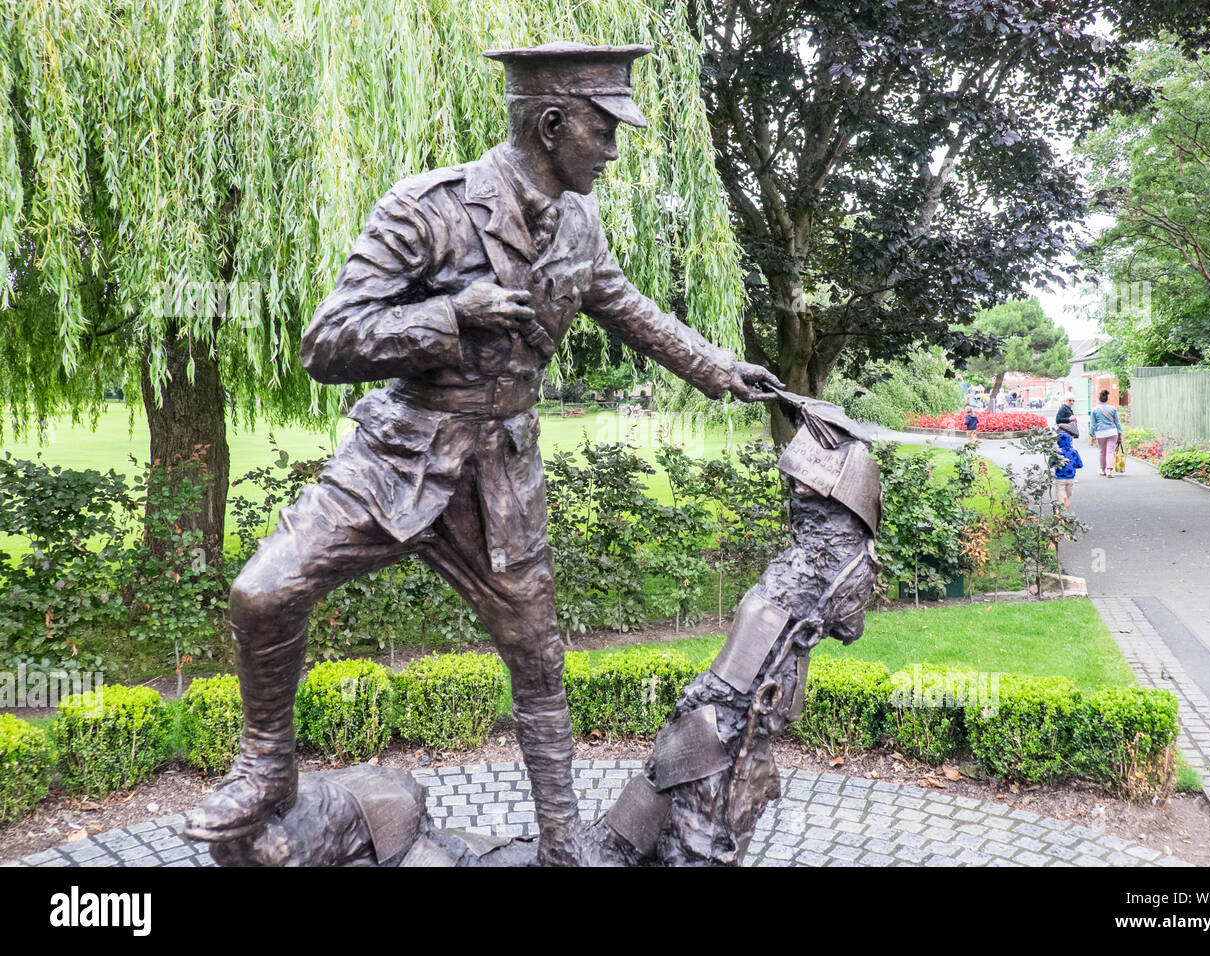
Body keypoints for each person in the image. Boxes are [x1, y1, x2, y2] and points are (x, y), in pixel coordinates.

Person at [182, 41, 782, 866]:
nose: (612, 151)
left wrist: (719, 368)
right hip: (398, 455)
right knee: (262, 591)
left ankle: (564, 842)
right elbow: (327, 344)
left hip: (499, 474)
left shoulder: (578, 221)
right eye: (604, 132)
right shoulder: (428, 209)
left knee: (538, 658)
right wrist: (451, 314)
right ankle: (262, 768)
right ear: (551, 121)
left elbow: (627, 307)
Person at [1088, 388, 1123, 477]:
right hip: (1112, 432)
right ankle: (1109, 471)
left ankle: (1102, 470)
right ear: (1107, 398)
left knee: (1102, 452)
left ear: (1099, 399)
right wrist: (1120, 433)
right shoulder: (1113, 409)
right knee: (1110, 452)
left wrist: (1092, 435)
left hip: (1100, 433)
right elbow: (1117, 422)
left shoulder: (1095, 410)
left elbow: (1093, 424)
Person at [1053, 424, 1084, 510]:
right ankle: (1067, 511)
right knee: (1067, 496)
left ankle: (1063, 515)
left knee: (1061, 497)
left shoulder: (1056, 452)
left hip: (1060, 478)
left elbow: (1051, 464)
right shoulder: (1074, 452)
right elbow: (1080, 464)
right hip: (1071, 478)